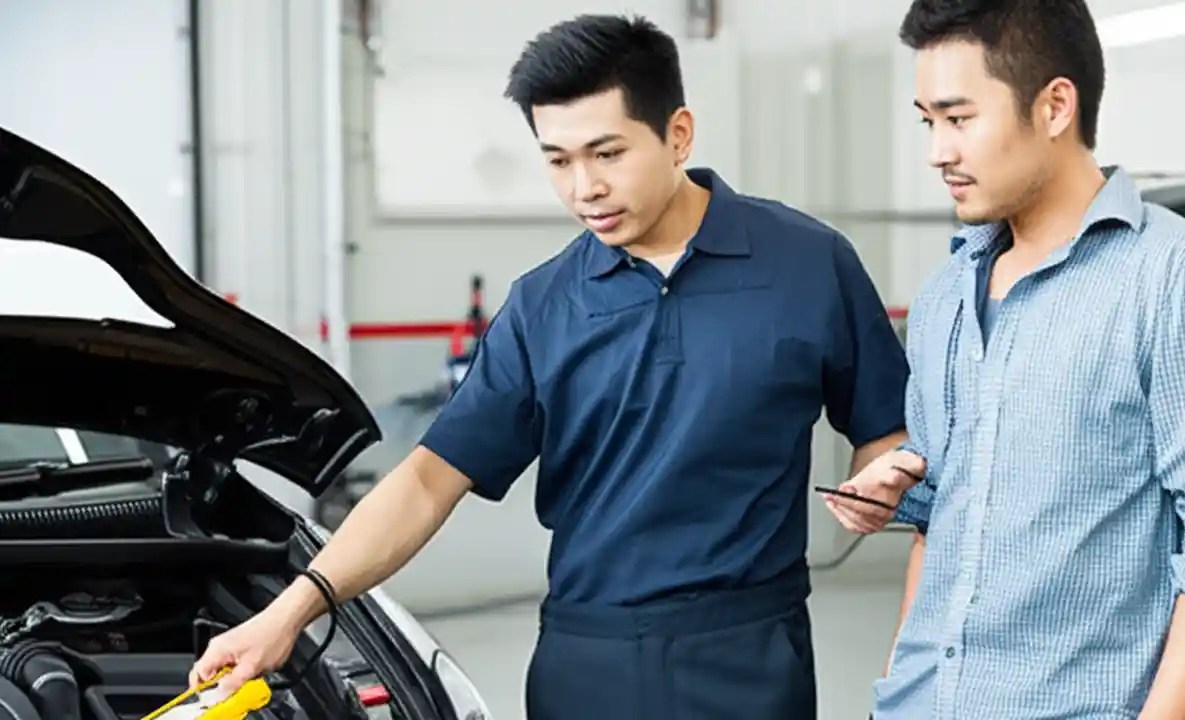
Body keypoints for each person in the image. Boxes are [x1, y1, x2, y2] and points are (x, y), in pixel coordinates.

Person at [189, 14, 912, 719]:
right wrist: (292, 610)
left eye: (607, 153)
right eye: (557, 159)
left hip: (751, 652)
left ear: (678, 134)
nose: (582, 188)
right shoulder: (543, 305)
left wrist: (881, 481)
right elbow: (427, 481)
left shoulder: (809, 265)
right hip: (586, 658)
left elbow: (887, 432)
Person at [825, 1, 1185, 718]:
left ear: (1055, 106)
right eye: (927, 121)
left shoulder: (1182, 281)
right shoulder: (948, 292)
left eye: (959, 117)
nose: (936, 150)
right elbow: (940, 528)